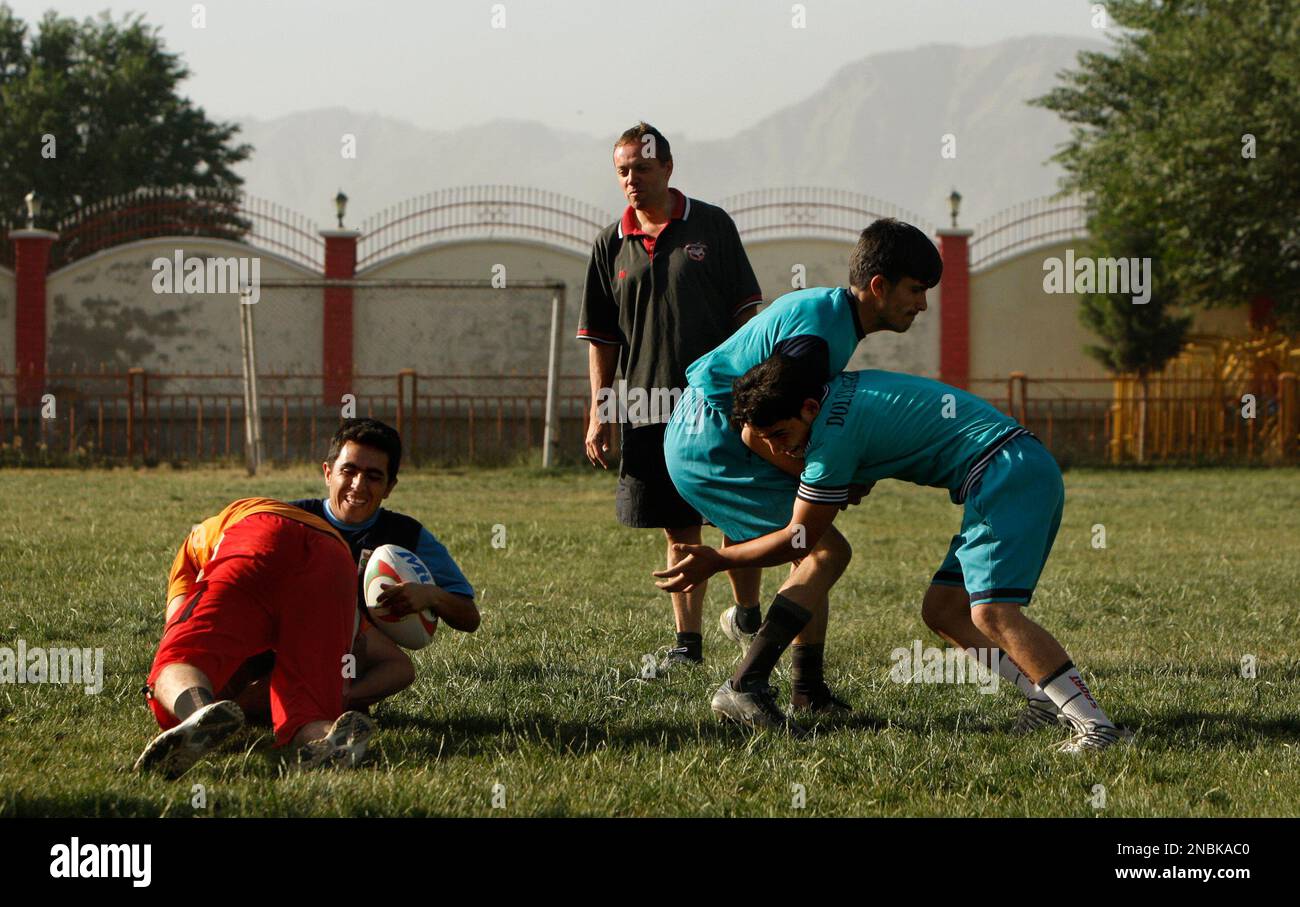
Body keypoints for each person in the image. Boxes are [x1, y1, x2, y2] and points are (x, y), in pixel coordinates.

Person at [658, 356, 1131, 752]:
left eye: (780, 434)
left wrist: (720, 559)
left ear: (808, 409)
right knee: (943, 610)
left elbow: (797, 540)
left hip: (1008, 472)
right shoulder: (834, 394)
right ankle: (1045, 698)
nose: (777, 448)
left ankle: (1097, 727)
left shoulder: (830, 439)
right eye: (766, 440)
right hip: (1007, 466)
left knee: (992, 613)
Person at [661, 218, 939, 712]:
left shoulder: (830, 314)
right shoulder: (817, 342)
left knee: (811, 544)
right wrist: (828, 484)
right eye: (916, 290)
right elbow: (756, 431)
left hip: (709, 429)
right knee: (820, 549)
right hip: (711, 439)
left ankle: (806, 692)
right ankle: (747, 687)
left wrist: (828, 483)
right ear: (879, 286)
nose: (922, 304)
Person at [577, 121, 764, 673]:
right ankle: (687, 644)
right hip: (646, 406)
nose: (631, 180)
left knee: (733, 513)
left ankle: (748, 614)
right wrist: (601, 411)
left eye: (641, 168)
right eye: (622, 171)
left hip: (716, 402)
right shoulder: (609, 244)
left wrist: (750, 392)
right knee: (676, 523)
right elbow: (602, 339)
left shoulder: (712, 225)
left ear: (667, 167)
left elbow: (746, 315)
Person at [220, 418, 480, 724]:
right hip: (271, 641)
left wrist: (431, 595)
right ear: (328, 473)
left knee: (397, 669)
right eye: (349, 471)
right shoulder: (287, 521)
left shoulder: (407, 536)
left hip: (346, 656)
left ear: (389, 487)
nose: (358, 485)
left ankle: (327, 700)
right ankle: (236, 707)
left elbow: (469, 618)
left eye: (373, 476)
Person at [135, 497, 372, 778]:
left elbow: (177, 633)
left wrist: (225, 688)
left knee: (178, 658)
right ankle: (325, 737)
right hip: (336, 558)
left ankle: (198, 710)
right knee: (309, 710)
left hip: (262, 531)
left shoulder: (192, 552)